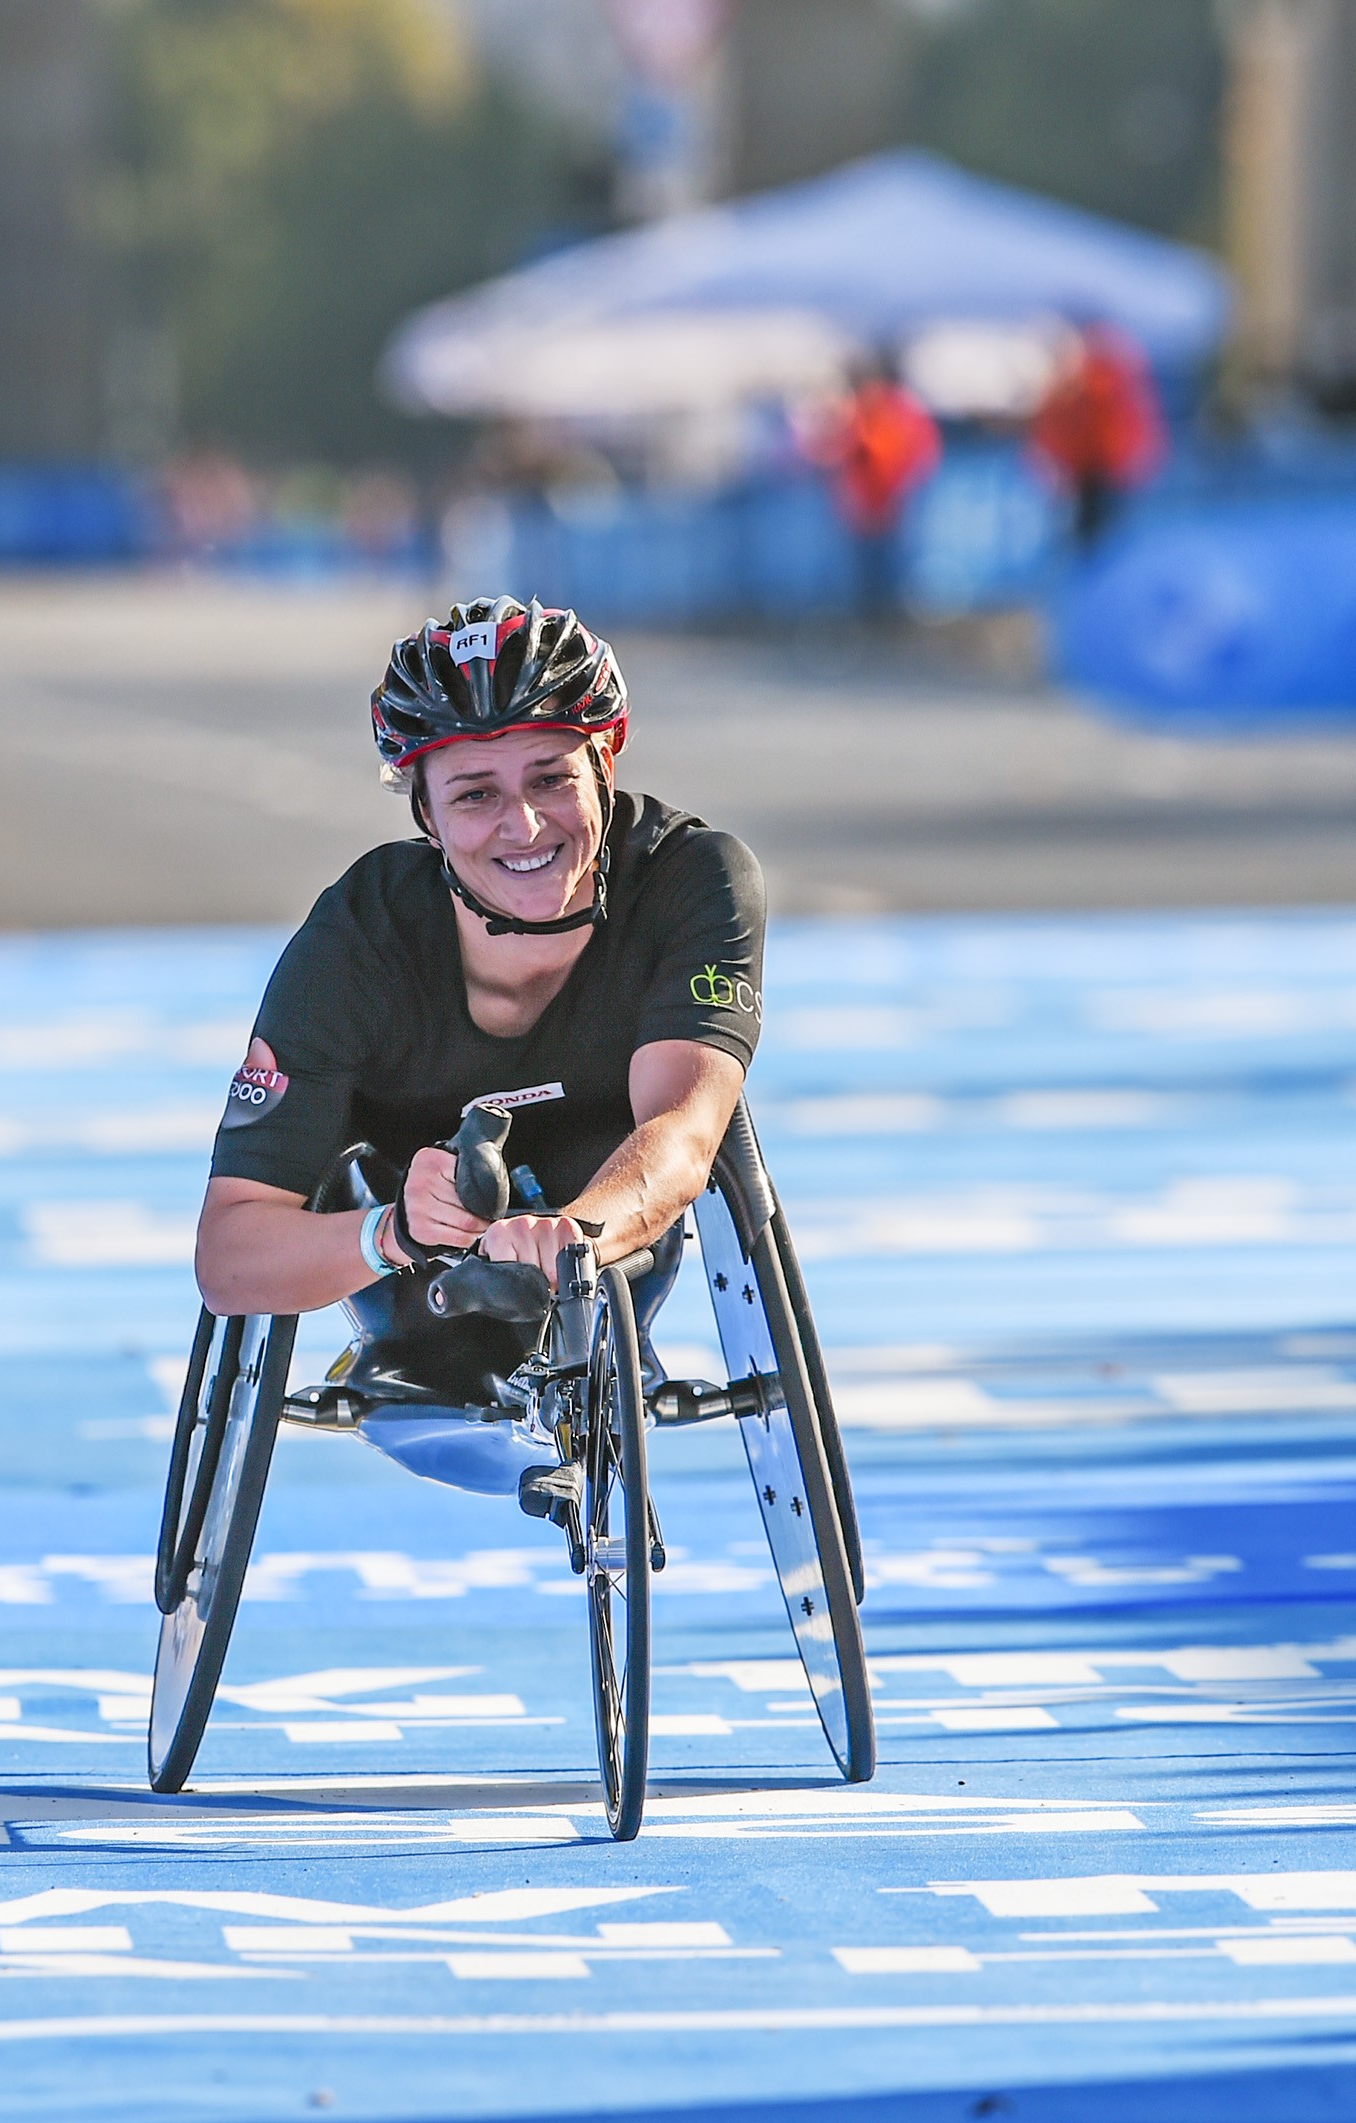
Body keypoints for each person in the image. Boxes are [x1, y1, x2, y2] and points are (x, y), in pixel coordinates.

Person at [192, 599, 760, 1414]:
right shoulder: (357, 935)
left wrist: (572, 1238)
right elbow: (229, 1257)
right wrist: (393, 1233)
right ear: (423, 811)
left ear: (605, 761)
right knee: (433, 1326)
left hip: (608, 1227)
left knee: (601, 1233)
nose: (524, 824)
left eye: (550, 778)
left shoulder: (694, 879)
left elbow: (684, 1131)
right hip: (411, 1252)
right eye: (473, 796)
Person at [815, 357, 937, 621]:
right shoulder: (863, 412)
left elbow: (907, 455)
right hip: (867, 505)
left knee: (887, 565)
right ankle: (872, 617)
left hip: (889, 502)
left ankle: (887, 616)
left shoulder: (894, 412)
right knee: (867, 567)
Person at [1028, 320, 1165, 553]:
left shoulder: (1095, 382)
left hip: (1098, 470)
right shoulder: (1106, 379)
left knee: (1101, 532)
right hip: (1099, 470)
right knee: (1104, 533)